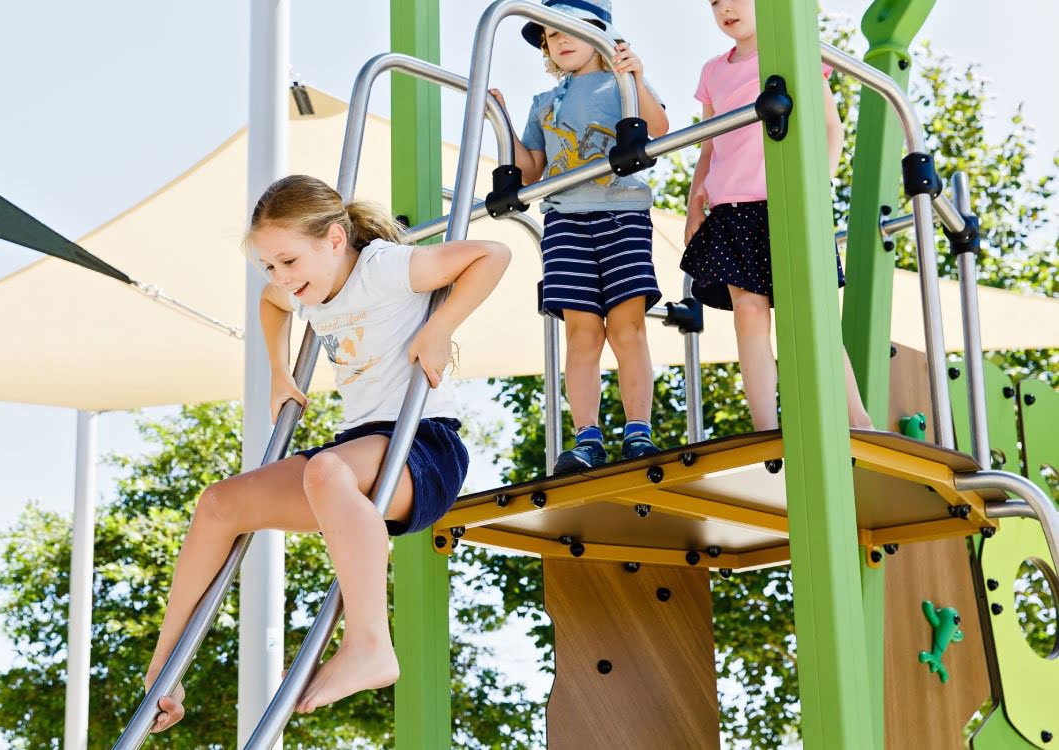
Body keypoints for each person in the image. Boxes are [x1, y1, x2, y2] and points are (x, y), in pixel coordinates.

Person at [142, 174, 511, 731]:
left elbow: (492, 253)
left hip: (424, 447)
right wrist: (279, 371)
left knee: (326, 471)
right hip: (354, 450)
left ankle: (369, 644)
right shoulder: (302, 290)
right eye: (269, 266)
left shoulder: (383, 268)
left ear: (335, 241)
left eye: (288, 262)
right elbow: (271, 307)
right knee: (218, 504)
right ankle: (162, 672)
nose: (281, 280)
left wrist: (440, 328)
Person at [491, 0, 671, 472]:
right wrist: (501, 120)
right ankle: (587, 438)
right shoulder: (543, 104)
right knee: (582, 333)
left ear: (599, 35)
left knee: (626, 328)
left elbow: (658, 129)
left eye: (570, 30)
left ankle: (638, 432)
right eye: (551, 35)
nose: (562, 40)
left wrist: (634, 77)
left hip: (621, 214)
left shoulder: (621, 84)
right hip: (565, 221)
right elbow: (531, 170)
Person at [682, 0, 873, 432]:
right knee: (748, 314)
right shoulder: (713, 71)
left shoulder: (791, 50)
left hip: (786, 201)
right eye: (714, 2)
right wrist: (696, 200)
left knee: (807, 313)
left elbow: (830, 128)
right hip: (732, 210)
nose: (724, 8)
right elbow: (709, 145)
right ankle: (765, 428)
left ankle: (857, 419)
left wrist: (815, 190)